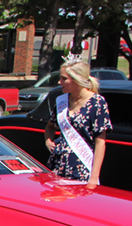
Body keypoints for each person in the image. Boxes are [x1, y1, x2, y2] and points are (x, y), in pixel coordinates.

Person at [43, 58, 111, 186]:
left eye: (64, 78)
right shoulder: (61, 101)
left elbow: (100, 142)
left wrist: (94, 177)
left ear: (77, 79)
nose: (59, 82)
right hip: (58, 165)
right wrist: (48, 141)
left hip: (82, 168)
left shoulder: (97, 102)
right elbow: (51, 126)